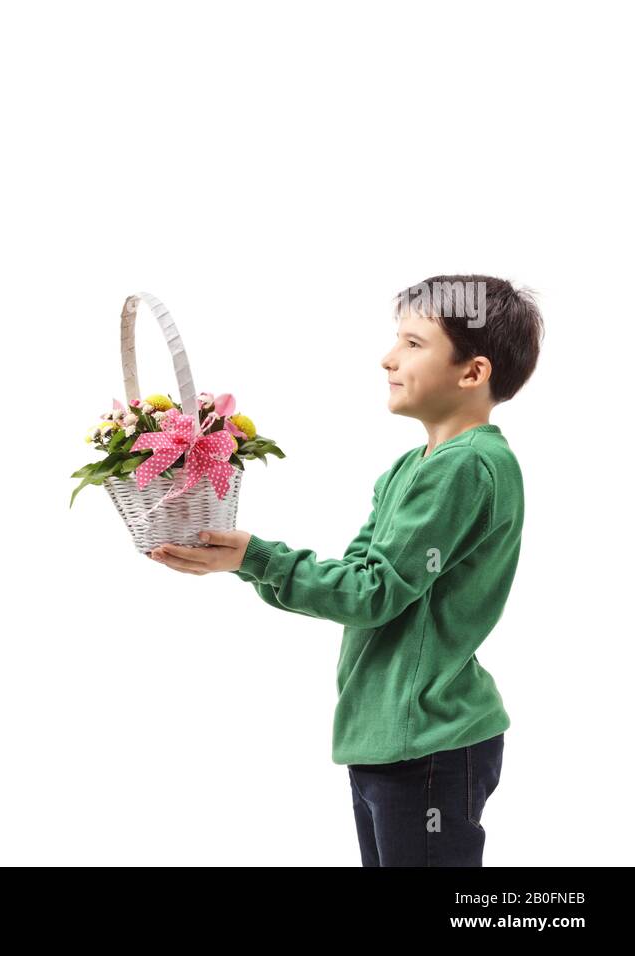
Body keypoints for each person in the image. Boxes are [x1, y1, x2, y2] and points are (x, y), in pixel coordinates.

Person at [148, 275, 542, 866]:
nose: (388, 358)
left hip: (427, 746)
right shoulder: (412, 466)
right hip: (391, 741)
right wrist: (246, 561)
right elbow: (358, 580)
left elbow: (371, 594)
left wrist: (255, 557)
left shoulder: (465, 468)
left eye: (413, 343)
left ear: (472, 373)